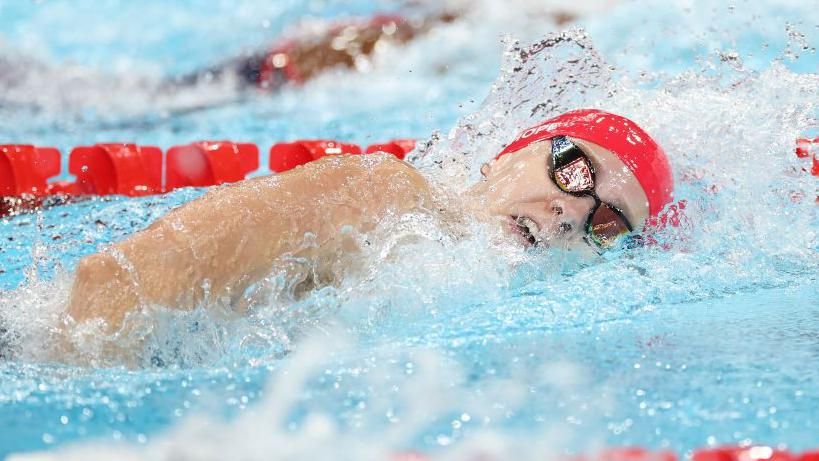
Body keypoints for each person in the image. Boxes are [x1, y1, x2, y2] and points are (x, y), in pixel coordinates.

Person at [64, 109, 673, 341]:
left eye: (612, 225)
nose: (575, 213)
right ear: (511, 152)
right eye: (574, 172)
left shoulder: (461, 296)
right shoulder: (384, 195)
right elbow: (114, 286)